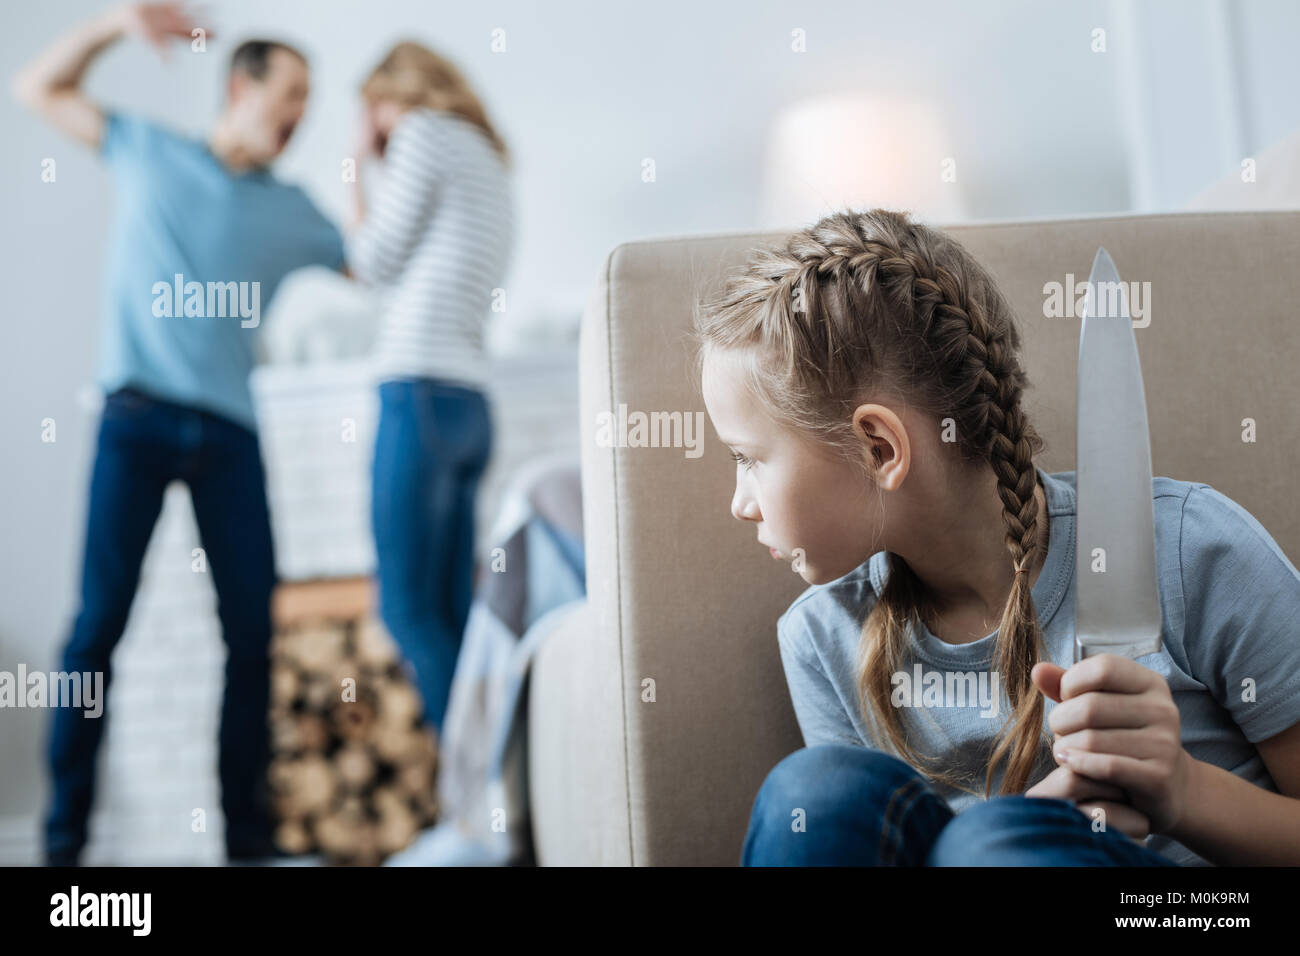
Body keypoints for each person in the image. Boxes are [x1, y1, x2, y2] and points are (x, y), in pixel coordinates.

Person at [693, 208, 1300, 866]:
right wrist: (1038, 816)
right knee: (814, 797)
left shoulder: (1192, 551)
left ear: (877, 448)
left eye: (747, 458)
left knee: (992, 844)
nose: (740, 505)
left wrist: (1183, 791)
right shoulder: (821, 638)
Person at [13, 2, 347, 865]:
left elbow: (372, 257)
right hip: (136, 418)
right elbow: (37, 87)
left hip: (230, 433)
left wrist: (385, 160)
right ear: (242, 87)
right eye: (291, 94)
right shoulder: (147, 150)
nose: (300, 115)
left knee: (251, 634)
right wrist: (117, 24)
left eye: (311, 102)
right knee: (98, 628)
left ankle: (244, 841)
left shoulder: (295, 211)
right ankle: (62, 849)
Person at [345, 42, 515, 735]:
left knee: (406, 609)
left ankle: (471, 806)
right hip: (470, 405)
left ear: (390, 98)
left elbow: (372, 261)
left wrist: (358, 164)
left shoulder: (420, 133)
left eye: (371, 112)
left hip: (417, 391)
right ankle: (493, 795)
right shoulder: (488, 158)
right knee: (449, 612)